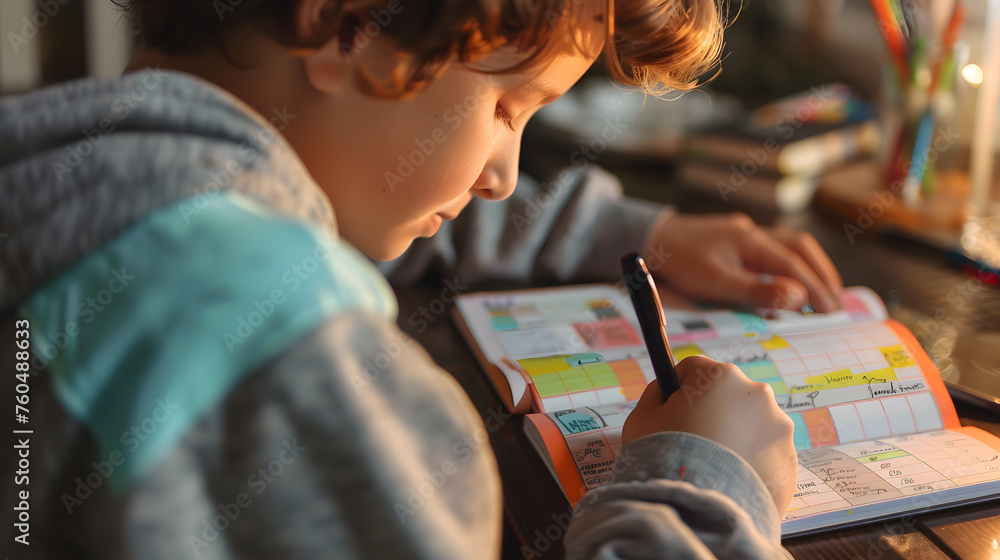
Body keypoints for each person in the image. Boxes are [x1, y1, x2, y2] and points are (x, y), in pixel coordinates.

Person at [0, 0, 842, 558]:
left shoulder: (85, 187)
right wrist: (700, 484)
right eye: (507, 107)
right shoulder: (288, 355)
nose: (502, 176)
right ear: (349, 28)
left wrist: (639, 233)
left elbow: (351, 193)